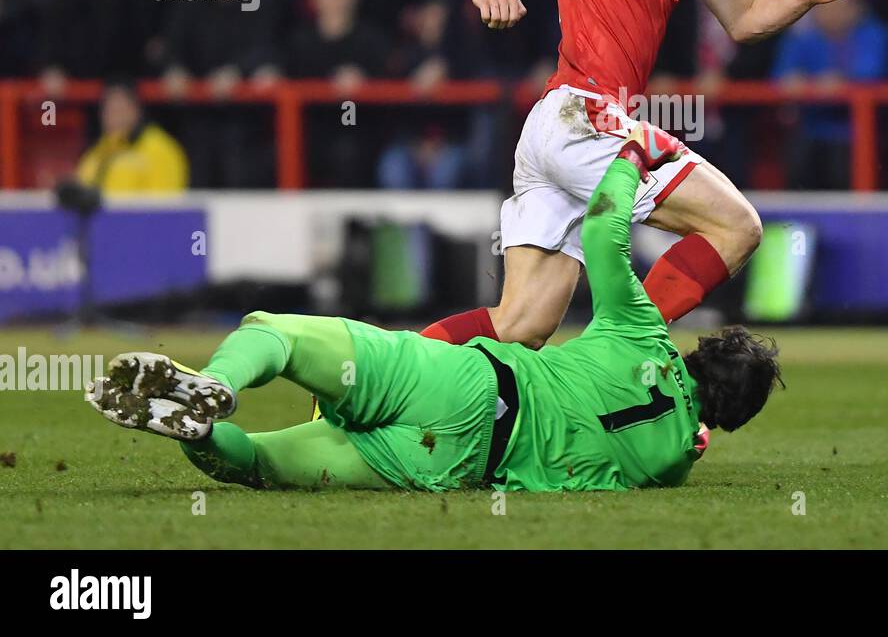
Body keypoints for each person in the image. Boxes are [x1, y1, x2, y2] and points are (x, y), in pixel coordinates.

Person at [87, 123, 783, 493]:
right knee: (266, 468)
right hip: (454, 463)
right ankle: (203, 435)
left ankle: (223, 385)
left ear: (698, 347)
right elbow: (685, 440)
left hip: (465, 381)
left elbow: (604, 235)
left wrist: (635, 153)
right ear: (728, 421)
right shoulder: (670, 462)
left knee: (275, 333)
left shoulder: (643, 335)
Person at [423, 0, 869, 350]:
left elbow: (746, 15)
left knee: (522, 325)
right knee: (737, 226)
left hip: (569, 128)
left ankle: (378, 375)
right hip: (579, 118)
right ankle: (624, 354)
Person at [76, 80, 188, 194]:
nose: (114, 116)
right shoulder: (97, 151)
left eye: (120, 109)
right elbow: (82, 191)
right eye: (109, 110)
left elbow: (166, 204)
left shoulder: (160, 148)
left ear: (136, 110)